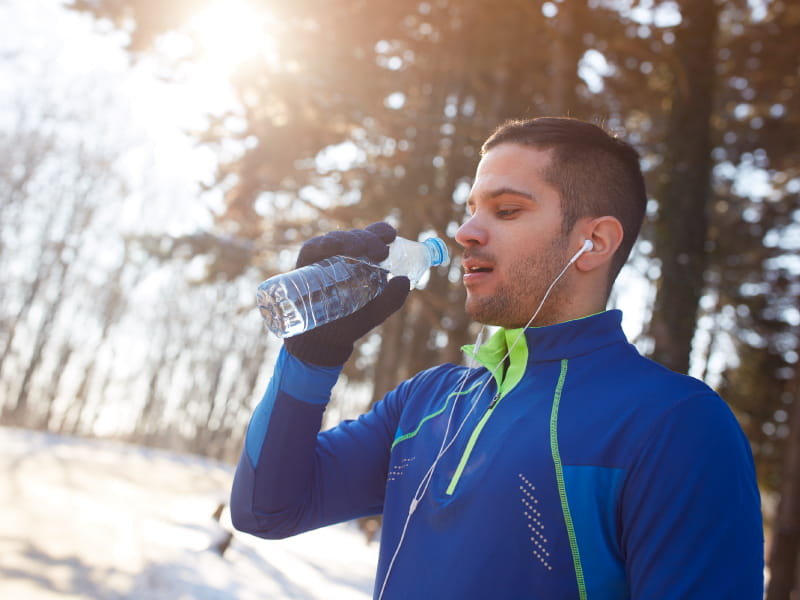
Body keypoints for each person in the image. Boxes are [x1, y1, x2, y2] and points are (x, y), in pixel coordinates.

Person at [230, 117, 764, 599]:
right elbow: (266, 509)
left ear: (594, 242)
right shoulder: (427, 402)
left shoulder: (675, 425)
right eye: (471, 210)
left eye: (506, 210)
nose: (466, 233)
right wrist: (312, 354)